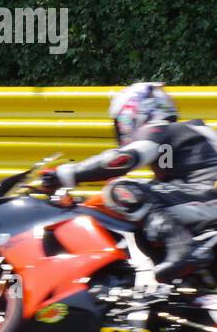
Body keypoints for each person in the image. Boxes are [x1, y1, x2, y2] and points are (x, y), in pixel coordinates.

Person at [40, 81, 217, 281]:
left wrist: (66, 174)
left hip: (207, 198)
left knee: (120, 188)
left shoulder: (161, 130)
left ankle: (180, 245)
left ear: (134, 112)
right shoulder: (187, 135)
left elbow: (121, 160)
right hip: (204, 198)